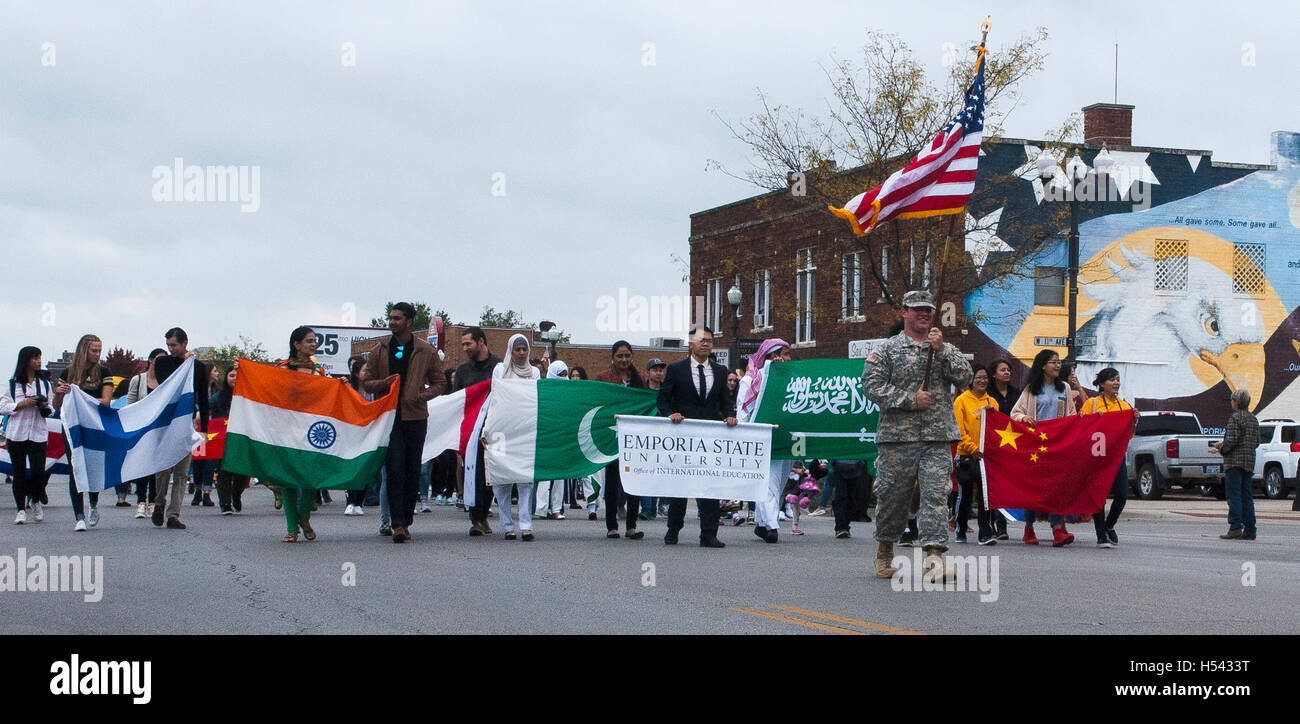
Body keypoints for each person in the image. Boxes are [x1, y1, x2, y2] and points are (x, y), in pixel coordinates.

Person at [861, 291, 973, 580]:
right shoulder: (886, 350)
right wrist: (910, 399)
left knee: (936, 495)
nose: (924, 314)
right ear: (904, 313)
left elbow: (965, 377)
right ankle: (885, 549)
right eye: (917, 309)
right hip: (898, 438)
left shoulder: (943, 348)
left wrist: (944, 350)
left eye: (928, 310)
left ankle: (933, 558)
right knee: (893, 497)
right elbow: (872, 386)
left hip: (936, 437)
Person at [361, 302, 445, 544]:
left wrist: (423, 395)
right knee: (395, 468)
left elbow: (440, 383)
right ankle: (397, 523)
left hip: (416, 417)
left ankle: (406, 520)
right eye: (390, 318)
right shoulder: (380, 349)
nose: (392, 322)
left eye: (397, 318)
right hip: (390, 417)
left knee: (412, 470)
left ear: (409, 321)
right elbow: (367, 382)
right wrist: (384, 384)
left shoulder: (425, 351)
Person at [657, 326, 738, 548]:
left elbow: (726, 402)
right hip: (683, 436)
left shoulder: (720, 372)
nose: (706, 344)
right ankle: (673, 530)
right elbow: (663, 399)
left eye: (710, 341)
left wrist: (730, 416)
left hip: (710, 437)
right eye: (702, 340)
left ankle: (709, 533)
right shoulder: (676, 370)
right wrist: (669, 414)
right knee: (680, 485)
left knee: (709, 484)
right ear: (691, 344)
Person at [1010, 349, 1078, 547]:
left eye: (1058, 362)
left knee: (1056, 488)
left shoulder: (1064, 388)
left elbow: (1071, 414)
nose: (1057, 365)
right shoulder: (1032, 389)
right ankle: (1029, 528)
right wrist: (1024, 418)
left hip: (1057, 445)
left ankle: (1058, 530)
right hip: (1036, 446)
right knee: (1035, 489)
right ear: (1042, 366)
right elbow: (1015, 413)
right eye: (1053, 362)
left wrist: (1078, 420)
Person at [271, 327, 331, 541]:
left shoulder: (319, 371)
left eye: (315, 341)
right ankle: (292, 528)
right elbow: (269, 389)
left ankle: (303, 517)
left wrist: (339, 386)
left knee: (309, 478)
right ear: (296, 345)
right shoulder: (282, 368)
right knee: (287, 480)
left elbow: (327, 396)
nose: (314, 344)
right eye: (308, 341)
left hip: (311, 430)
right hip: (286, 429)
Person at [52, 334, 116, 531]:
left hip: (95, 425)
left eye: (99, 351)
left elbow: (106, 401)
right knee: (75, 466)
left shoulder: (104, 372)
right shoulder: (68, 372)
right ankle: (78, 516)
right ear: (84, 351)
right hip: (72, 426)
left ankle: (94, 503)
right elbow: (56, 406)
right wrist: (59, 393)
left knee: (93, 465)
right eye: (94, 351)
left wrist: (82, 398)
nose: (97, 354)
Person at [150, 328, 211, 530]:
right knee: (163, 469)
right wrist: (185, 364)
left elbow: (203, 398)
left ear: (185, 343)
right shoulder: (163, 363)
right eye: (168, 345)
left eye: (174, 345)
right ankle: (159, 502)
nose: (171, 349)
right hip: (167, 422)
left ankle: (174, 514)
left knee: (182, 471)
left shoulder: (200, 368)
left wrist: (205, 429)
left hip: (186, 422)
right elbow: (167, 385)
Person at [736, 337, 791, 543]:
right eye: (785, 355)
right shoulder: (751, 380)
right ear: (773, 356)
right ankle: (771, 525)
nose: (788, 359)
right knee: (769, 481)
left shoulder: (789, 378)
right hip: (762, 438)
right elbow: (743, 410)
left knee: (780, 481)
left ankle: (761, 523)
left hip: (785, 437)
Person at [596, 340, 647, 540]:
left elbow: (644, 406)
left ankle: (632, 525)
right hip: (612, 436)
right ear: (613, 357)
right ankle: (612, 525)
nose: (624, 359)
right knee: (612, 481)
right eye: (620, 356)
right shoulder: (603, 378)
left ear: (632, 357)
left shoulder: (639, 380)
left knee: (634, 481)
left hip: (633, 438)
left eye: (627, 355)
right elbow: (598, 404)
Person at [490, 334, 539, 540]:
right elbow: (495, 399)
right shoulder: (501, 370)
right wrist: (488, 430)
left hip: (526, 432)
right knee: (502, 482)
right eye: (517, 349)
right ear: (511, 350)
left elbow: (536, 400)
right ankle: (507, 526)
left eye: (524, 349)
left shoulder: (534, 372)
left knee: (525, 481)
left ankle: (526, 526)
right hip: (502, 431)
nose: (521, 353)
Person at [454, 326, 502, 537]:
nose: (465, 348)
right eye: (463, 344)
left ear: (481, 342)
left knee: (491, 474)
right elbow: (456, 401)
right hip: (471, 431)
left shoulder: (499, 367)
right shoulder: (463, 371)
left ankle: (483, 514)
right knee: (473, 472)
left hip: (495, 429)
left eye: (468, 344)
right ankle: (476, 519)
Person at [1080, 367, 1136, 547]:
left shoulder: (1124, 405)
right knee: (1099, 496)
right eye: (1112, 379)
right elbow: (1082, 428)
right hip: (1097, 457)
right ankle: (1100, 535)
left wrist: (1134, 421)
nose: (1116, 383)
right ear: (1102, 384)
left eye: (1118, 379)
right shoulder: (1092, 403)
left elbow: (1129, 435)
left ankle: (1109, 525)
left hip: (1116, 457)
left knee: (1122, 495)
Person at [2, 346, 52, 525]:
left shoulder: (45, 384)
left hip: (38, 433)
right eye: (35, 358)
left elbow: (51, 408)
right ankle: (20, 509)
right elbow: (3, 407)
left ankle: (36, 500)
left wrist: (44, 406)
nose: (39, 361)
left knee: (39, 472)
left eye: (40, 357)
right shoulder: (12, 384)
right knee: (19, 472)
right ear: (26, 360)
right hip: (17, 434)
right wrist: (24, 403)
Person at [953, 364, 997, 545]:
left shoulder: (992, 402)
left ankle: (984, 533)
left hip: (986, 457)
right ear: (971, 380)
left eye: (985, 377)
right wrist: (972, 448)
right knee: (965, 496)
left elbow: (997, 429)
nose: (982, 381)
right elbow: (958, 430)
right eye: (978, 377)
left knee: (985, 497)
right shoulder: (961, 401)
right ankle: (960, 529)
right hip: (966, 456)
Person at [1212, 388, 1259, 541]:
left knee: (1234, 496)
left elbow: (1231, 441)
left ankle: (1235, 527)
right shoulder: (1253, 419)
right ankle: (1250, 529)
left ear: (1237, 402)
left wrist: (1221, 447)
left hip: (1234, 462)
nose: (1231, 402)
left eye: (1232, 400)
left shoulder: (1235, 418)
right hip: (1249, 461)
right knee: (1247, 496)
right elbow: (1257, 442)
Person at [126, 348, 167, 518]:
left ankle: (153, 501)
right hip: (141, 429)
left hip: (159, 430)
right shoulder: (138, 380)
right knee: (142, 467)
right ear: (150, 360)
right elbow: (130, 403)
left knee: (156, 468)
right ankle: (141, 501)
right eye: (158, 359)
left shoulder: (166, 381)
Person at [984, 359, 1019, 540]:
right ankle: (998, 525)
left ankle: (1005, 521)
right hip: (993, 444)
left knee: (1008, 485)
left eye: (1009, 370)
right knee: (994, 484)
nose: (1007, 373)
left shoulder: (1017, 394)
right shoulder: (988, 395)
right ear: (994, 374)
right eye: (1003, 370)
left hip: (1013, 443)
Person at [211, 365, 250, 515]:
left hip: (243, 438)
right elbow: (205, 407)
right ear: (226, 378)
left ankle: (236, 493)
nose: (234, 378)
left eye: (237, 375)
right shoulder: (218, 397)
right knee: (223, 471)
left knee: (243, 470)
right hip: (223, 438)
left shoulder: (248, 397)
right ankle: (225, 503)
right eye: (231, 376)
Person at [534, 359, 570, 520]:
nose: (563, 377)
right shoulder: (543, 388)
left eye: (565, 374)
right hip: (546, 435)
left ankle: (556, 509)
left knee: (560, 475)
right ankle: (541, 508)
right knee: (545, 475)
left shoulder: (568, 390)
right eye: (560, 374)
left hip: (561, 435)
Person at [637, 357, 668, 520]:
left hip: (662, 439)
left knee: (658, 474)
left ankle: (655, 507)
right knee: (645, 472)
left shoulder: (667, 392)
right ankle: (647, 508)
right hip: (644, 438)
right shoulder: (641, 393)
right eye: (655, 370)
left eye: (661, 370)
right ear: (648, 372)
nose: (658, 373)